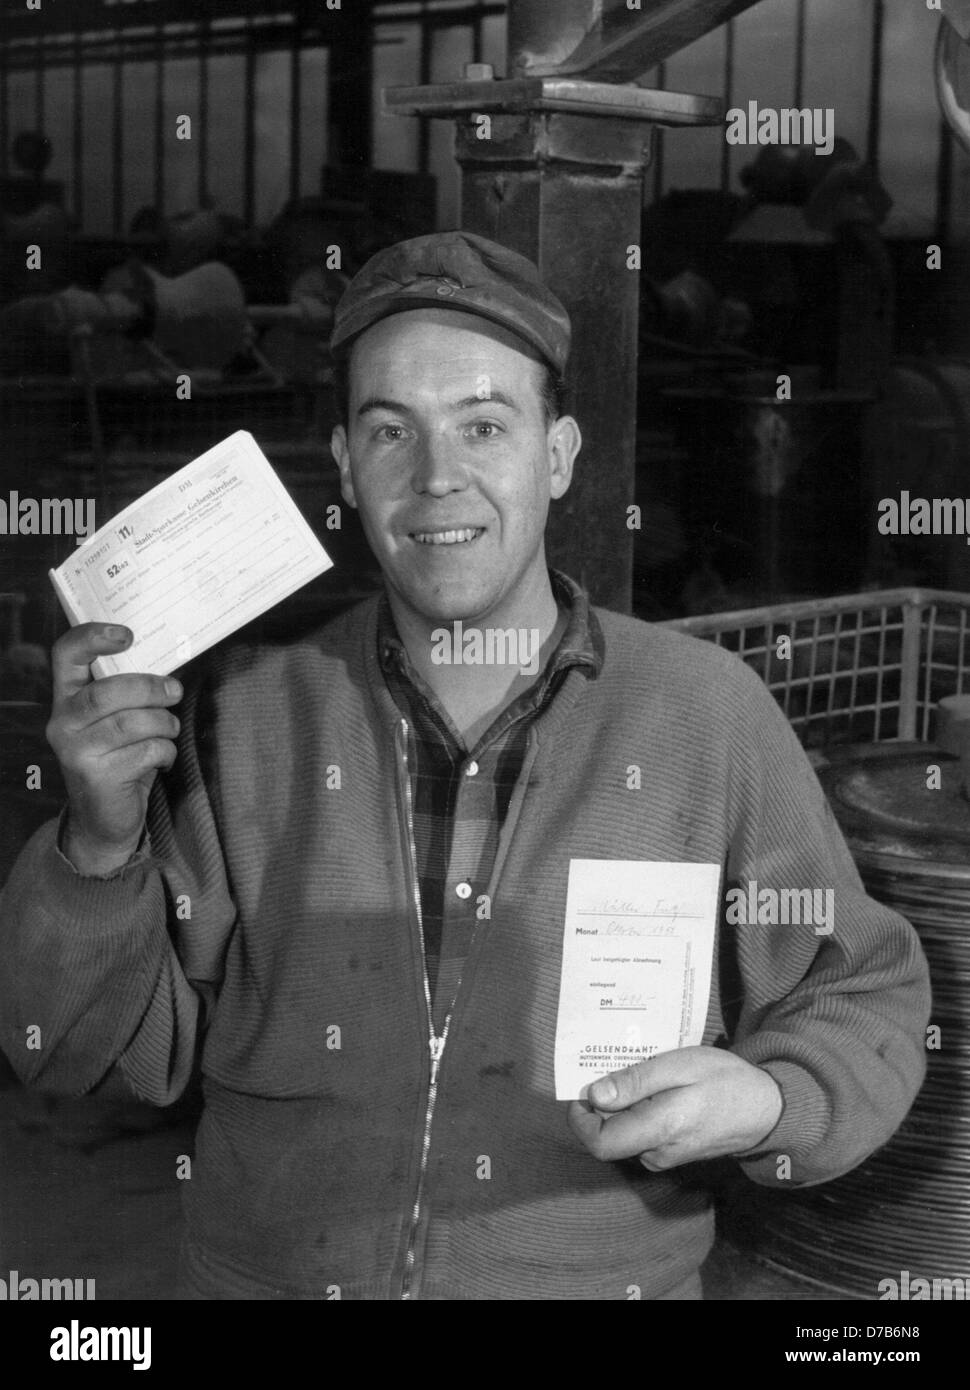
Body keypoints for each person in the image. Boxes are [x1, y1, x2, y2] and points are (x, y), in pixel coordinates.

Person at [0, 232, 930, 1301]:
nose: (437, 478)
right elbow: (82, 1056)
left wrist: (768, 1101)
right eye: (391, 430)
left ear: (558, 454)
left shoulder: (704, 717)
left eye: (483, 425)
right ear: (346, 463)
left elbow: (861, 990)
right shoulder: (243, 716)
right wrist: (96, 844)